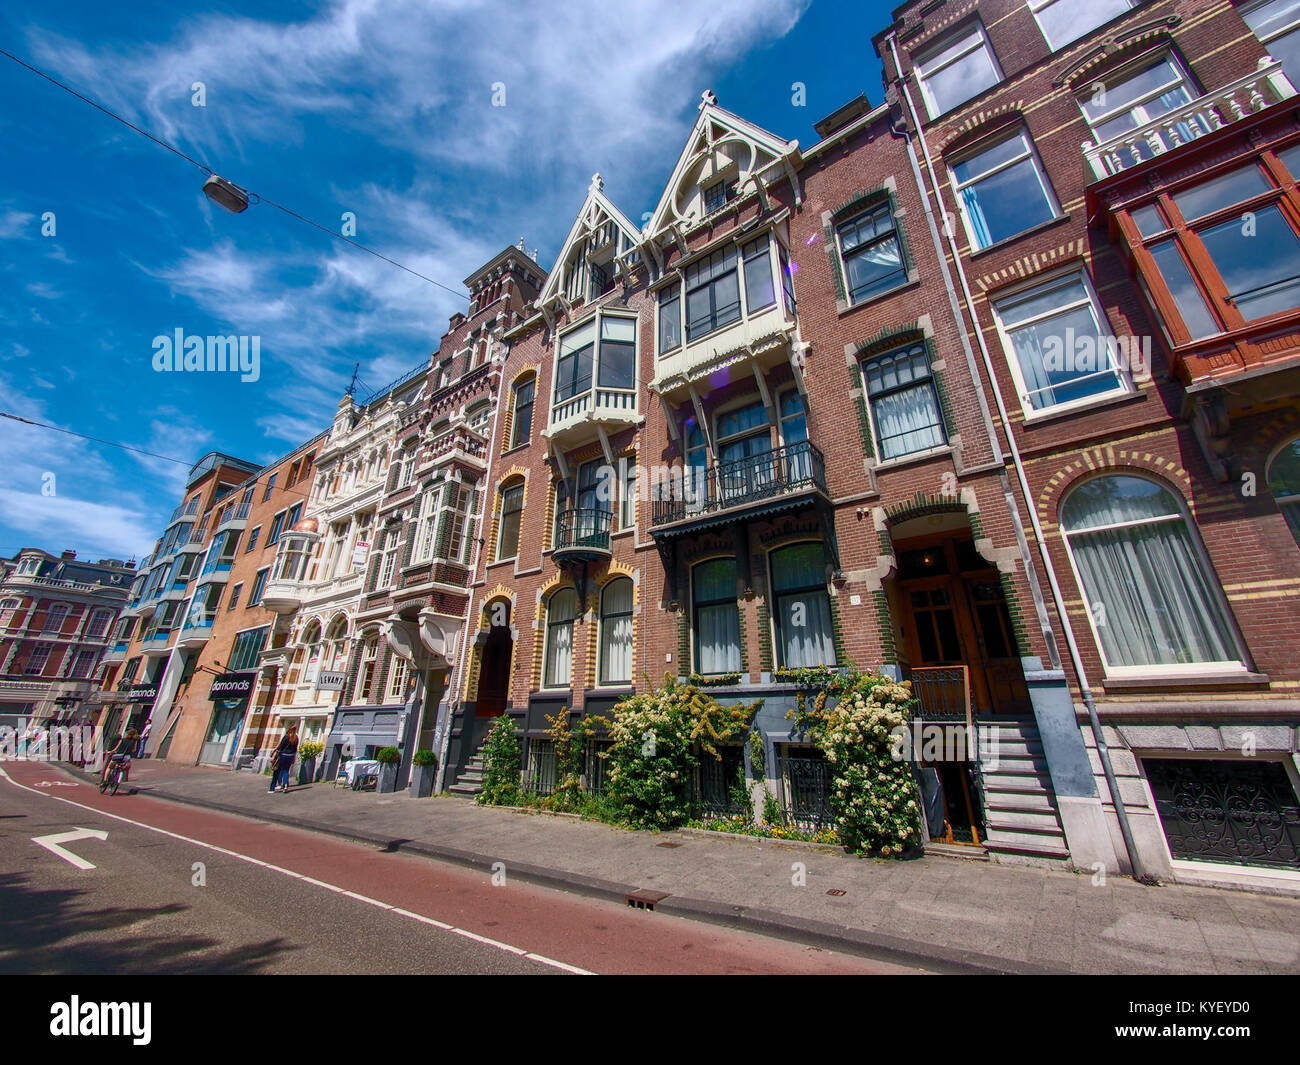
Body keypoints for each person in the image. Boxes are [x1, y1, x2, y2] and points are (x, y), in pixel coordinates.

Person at [269, 725, 298, 793]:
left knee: (276, 771)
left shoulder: (286, 737)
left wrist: (275, 756)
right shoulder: (296, 738)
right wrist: (294, 758)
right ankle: (285, 785)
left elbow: (280, 748)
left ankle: (272, 788)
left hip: (283, 756)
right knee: (286, 771)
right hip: (290, 756)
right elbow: (295, 749)